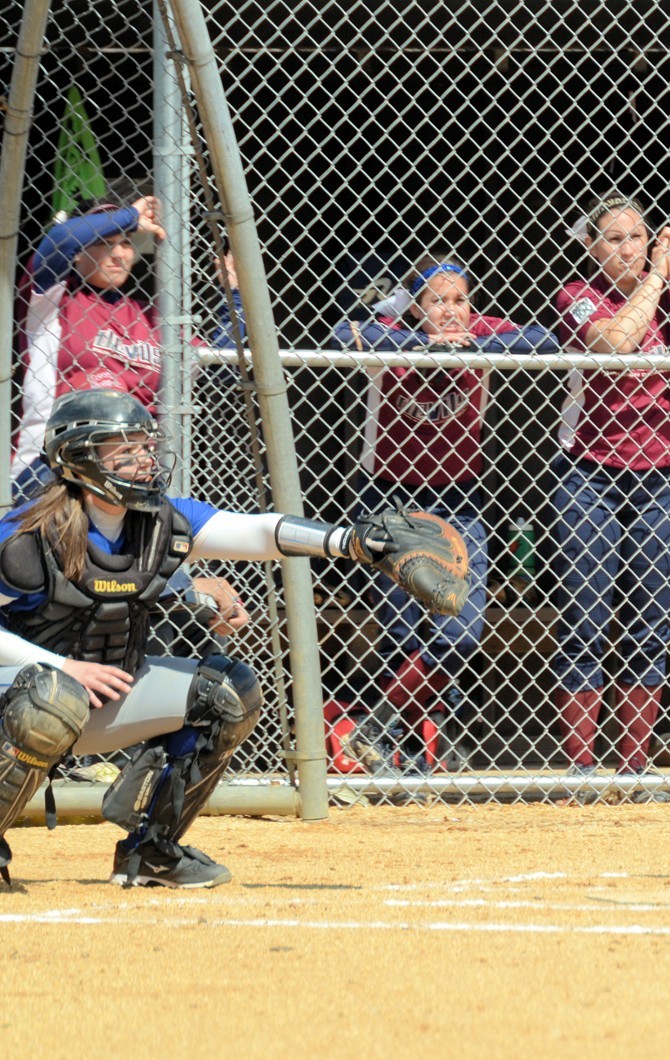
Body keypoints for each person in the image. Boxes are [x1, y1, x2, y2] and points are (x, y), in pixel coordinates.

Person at [0, 388, 457, 887]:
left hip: (97, 694)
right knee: (51, 698)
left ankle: (152, 851)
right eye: (123, 449)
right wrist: (63, 668)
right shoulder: (26, 538)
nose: (144, 459)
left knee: (228, 692)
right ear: (80, 461)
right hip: (21, 701)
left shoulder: (162, 522)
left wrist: (350, 542)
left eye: (145, 445)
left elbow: (259, 533)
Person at [331, 254, 559, 774]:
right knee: (402, 628)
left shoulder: (478, 333)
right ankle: (414, 746)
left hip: (460, 497)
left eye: (460, 300)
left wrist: (473, 347)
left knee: (460, 627)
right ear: (415, 306)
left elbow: (543, 338)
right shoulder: (390, 333)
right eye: (437, 301)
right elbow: (347, 334)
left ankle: (380, 722)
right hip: (388, 494)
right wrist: (423, 345)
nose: (452, 311)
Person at [551, 193, 670, 801]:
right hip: (589, 472)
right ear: (593, 248)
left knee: (650, 619)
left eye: (639, 237)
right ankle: (582, 772)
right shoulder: (577, 294)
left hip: (666, 470)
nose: (629, 248)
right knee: (586, 616)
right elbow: (615, 344)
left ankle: (635, 770)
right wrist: (655, 275)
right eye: (615, 239)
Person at [14, 191, 168, 495]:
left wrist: (236, 298)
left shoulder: (149, 316)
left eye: (125, 243)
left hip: (134, 470)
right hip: (51, 466)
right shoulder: (53, 297)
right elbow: (59, 239)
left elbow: (213, 363)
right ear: (78, 252)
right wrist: (130, 217)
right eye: (103, 242)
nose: (118, 254)